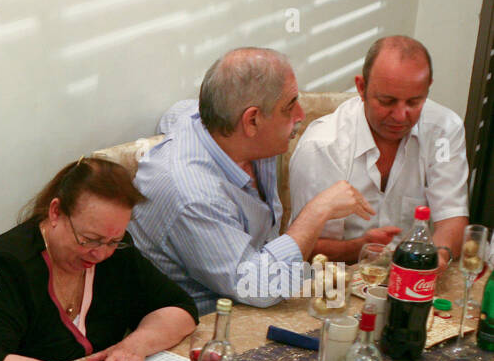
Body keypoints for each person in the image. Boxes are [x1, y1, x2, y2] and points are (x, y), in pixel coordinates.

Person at [130, 47, 376, 315]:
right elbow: (259, 286)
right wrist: (318, 212)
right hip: (207, 324)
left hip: (255, 301)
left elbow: (177, 112)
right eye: (290, 106)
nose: (301, 115)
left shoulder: (219, 126)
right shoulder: (191, 193)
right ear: (252, 121)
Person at [0, 158, 198, 361]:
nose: (100, 254)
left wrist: (134, 345)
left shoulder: (118, 253)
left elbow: (180, 308)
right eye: (89, 239)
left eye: (112, 241)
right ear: (56, 212)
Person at [289, 35, 468, 265]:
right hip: (334, 284)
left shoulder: (444, 130)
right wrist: (362, 247)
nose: (400, 116)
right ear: (361, 88)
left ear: (427, 88)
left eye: (414, 102)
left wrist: (438, 256)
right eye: (387, 101)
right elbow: (305, 249)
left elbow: (452, 218)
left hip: (412, 276)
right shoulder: (322, 145)